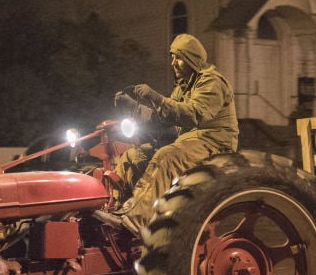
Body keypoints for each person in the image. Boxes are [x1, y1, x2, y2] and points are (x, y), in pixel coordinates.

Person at [102, 33, 238, 231]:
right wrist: (133, 106)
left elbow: (193, 114)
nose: (173, 63)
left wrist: (155, 97)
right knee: (133, 155)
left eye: (179, 57)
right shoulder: (183, 86)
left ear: (192, 59)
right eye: (172, 57)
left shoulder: (211, 82)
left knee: (167, 156)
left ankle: (137, 218)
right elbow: (164, 118)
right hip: (190, 139)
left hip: (214, 141)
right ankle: (116, 206)